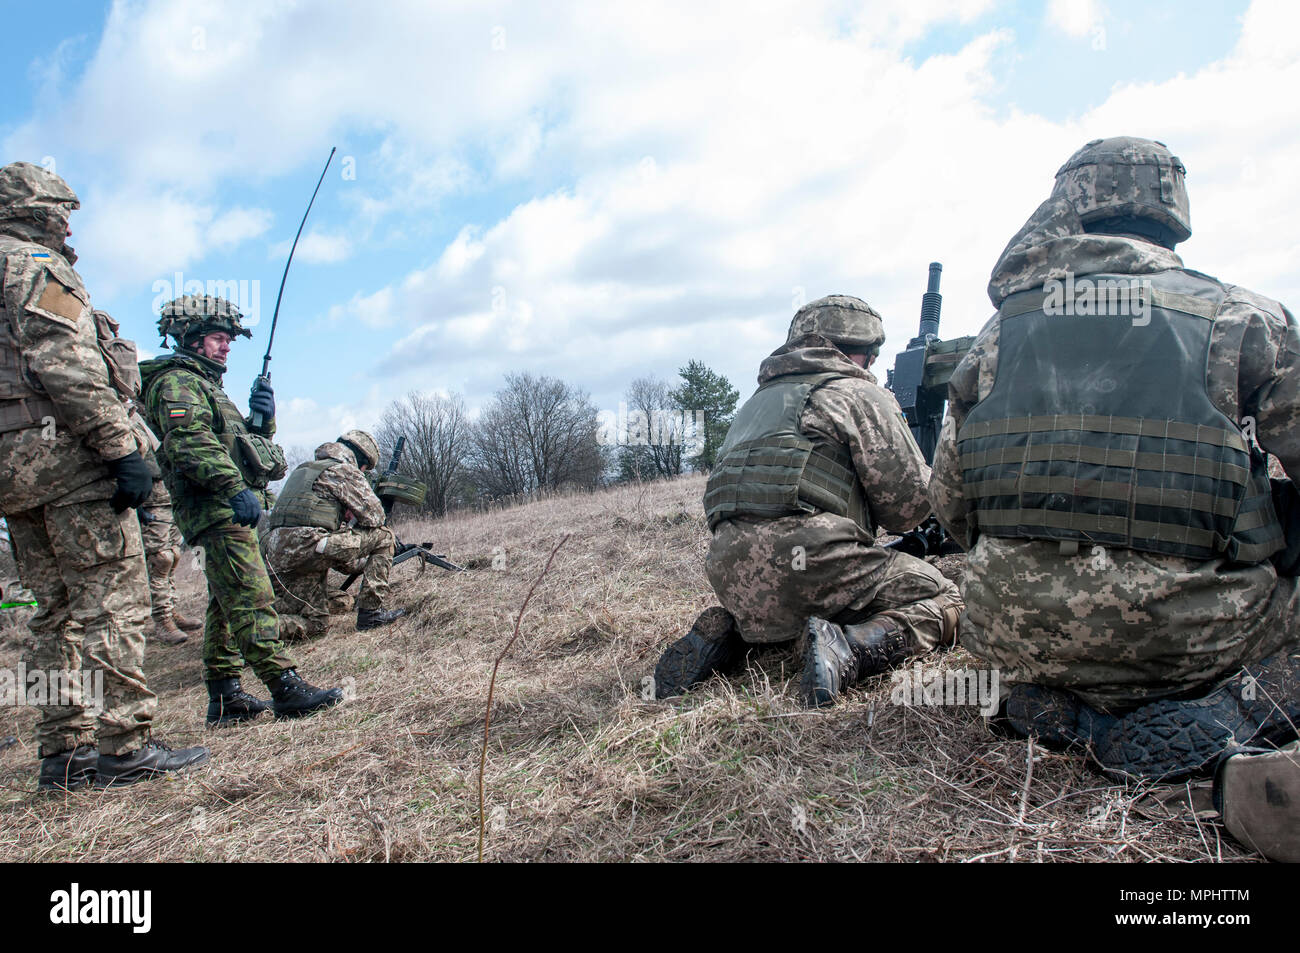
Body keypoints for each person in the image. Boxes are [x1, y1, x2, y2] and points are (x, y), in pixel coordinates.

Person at [927, 136, 1300, 859]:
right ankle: (1226, 714)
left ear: (1072, 210)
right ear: (1173, 218)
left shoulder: (997, 336)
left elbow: (950, 509)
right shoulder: (1243, 318)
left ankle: (1069, 716)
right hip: (1191, 645)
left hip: (1015, 642)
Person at [0, 161, 208, 788]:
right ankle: (125, 744)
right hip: (65, 460)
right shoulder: (32, 266)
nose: (69, 228)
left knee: (52, 611)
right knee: (111, 603)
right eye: (62, 214)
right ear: (37, 211)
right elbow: (66, 364)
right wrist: (120, 448)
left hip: (11, 473)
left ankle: (62, 752)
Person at [654, 295, 964, 706]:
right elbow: (907, 510)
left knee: (792, 592)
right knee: (948, 598)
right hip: (816, 567)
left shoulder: (753, 405)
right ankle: (852, 647)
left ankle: (730, 632)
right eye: (871, 354)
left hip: (731, 575)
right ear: (861, 353)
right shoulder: (856, 393)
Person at [139, 294, 343, 726]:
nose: (227, 346)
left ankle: (225, 697)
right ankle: (284, 686)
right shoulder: (177, 382)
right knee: (252, 595)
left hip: (225, 504)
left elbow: (237, 446)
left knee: (224, 602)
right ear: (192, 339)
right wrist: (232, 487)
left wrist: (259, 418)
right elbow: (188, 442)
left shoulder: (206, 386)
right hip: (213, 509)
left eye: (229, 338)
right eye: (218, 338)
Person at [262, 429, 405, 639]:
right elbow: (375, 517)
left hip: (274, 554)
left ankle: (254, 629)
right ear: (362, 463)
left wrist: (360, 558)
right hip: (310, 546)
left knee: (317, 624)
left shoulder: (303, 470)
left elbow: (341, 560)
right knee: (384, 537)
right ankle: (370, 613)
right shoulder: (344, 470)